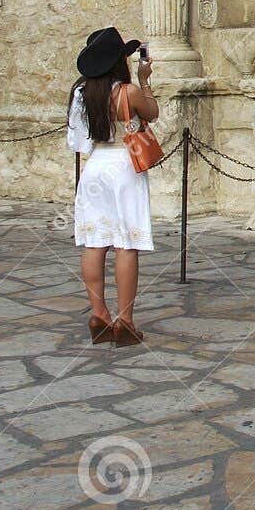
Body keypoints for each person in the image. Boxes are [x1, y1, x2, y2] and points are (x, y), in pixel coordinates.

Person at [66, 26, 158, 347]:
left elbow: (78, 140)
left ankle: (99, 315)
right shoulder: (128, 92)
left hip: (95, 166)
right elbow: (152, 113)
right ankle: (125, 321)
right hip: (124, 165)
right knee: (125, 244)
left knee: (94, 242)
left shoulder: (81, 93)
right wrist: (145, 80)